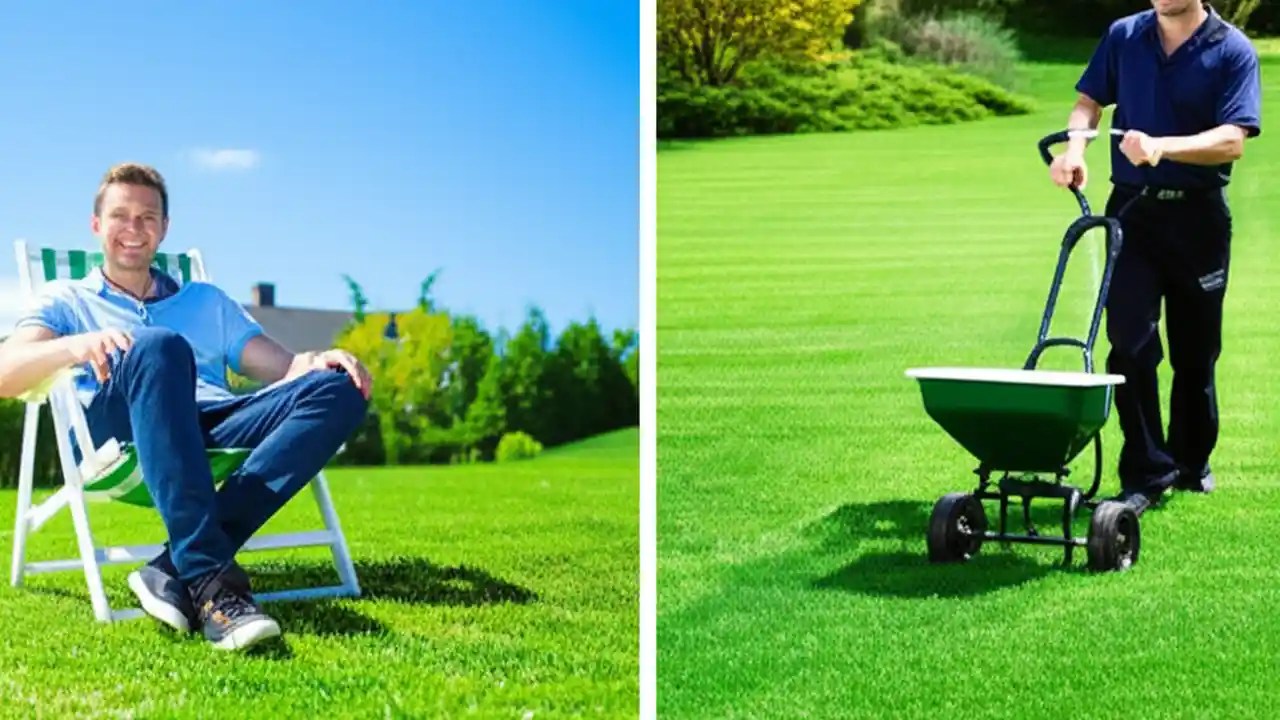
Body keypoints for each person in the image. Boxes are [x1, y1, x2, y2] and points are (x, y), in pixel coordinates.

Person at [0, 163, 373, 651]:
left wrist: (321, 360)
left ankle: (173, 568)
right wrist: (77, 346)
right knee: (157, 347)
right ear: (97, 226)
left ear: (164, 228)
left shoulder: (206, 301)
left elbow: (283, 367)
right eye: (120, 216)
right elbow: (7, 372)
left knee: (338, 388)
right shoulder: (67, 299)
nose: (133, 229)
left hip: (211, 424)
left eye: (147, 217)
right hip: (119, 428)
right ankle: (213, 585)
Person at [1048, 0, 1261, 514]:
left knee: (1195, 351)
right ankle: (1146, 469)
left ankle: (1191, 462)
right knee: (1130, 342)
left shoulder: (1232, 49)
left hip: (1199, 219)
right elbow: (1087, 103)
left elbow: (1233, 139)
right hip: (1132, 214)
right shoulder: (1125, 36)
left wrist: (1164, 147)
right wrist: (1075, 149)